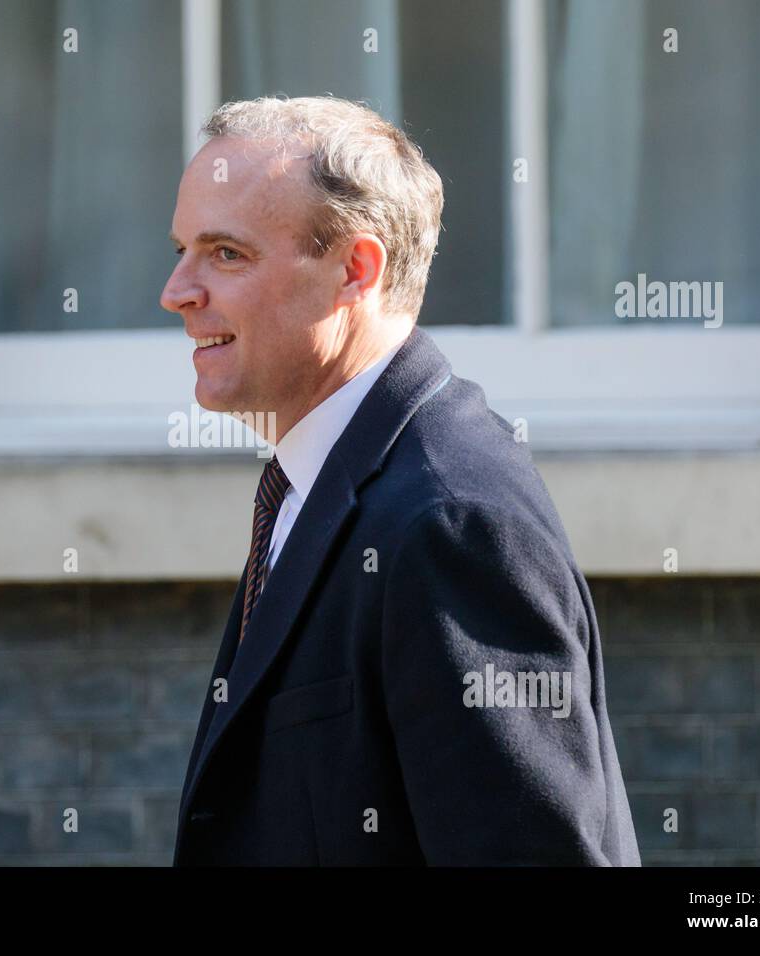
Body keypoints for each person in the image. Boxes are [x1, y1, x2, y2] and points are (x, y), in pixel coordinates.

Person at [160, 95, 640, 865]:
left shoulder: (452, 524)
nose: (177, 291)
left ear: (355, 269)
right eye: (182, 250)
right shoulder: (316, 478)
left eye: (225, 254)